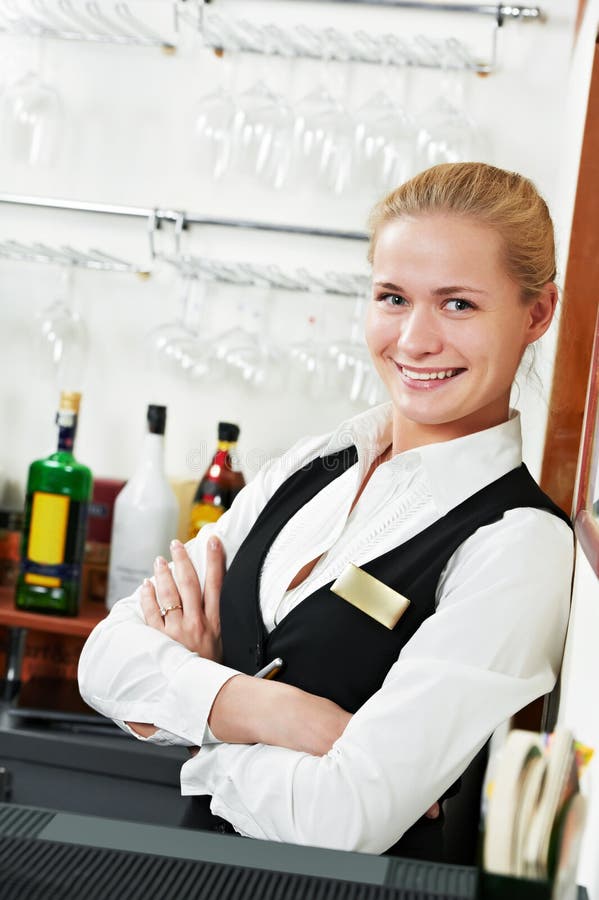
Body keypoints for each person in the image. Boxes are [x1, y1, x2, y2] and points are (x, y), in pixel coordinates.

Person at [78, 162, 574, 860]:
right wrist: (273, 711)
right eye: (392, 297)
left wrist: (198, 723)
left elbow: (342, 820)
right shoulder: (313, 464)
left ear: (536, 313)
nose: (413, 340)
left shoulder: (518, 545)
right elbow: (103, 658)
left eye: (457, 304)